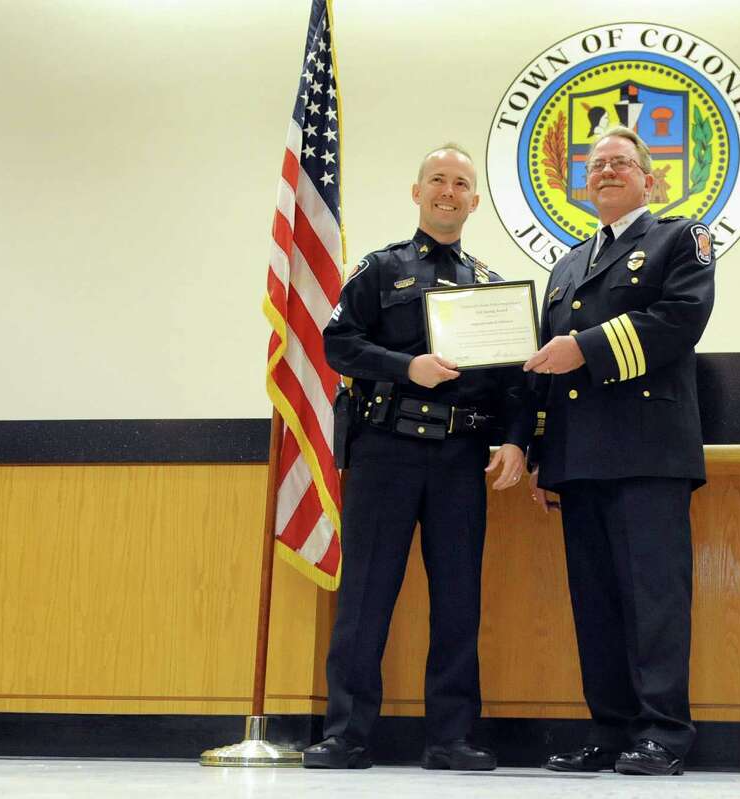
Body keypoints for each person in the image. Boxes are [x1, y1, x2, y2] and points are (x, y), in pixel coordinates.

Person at [303, 144, 526, 771]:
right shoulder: (380, 270)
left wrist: (515, 439)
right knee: (366, 594)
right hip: (387, 451)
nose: (448, 191)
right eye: (437, 180)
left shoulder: (492, 287)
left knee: (459, 598)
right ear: (417, 192)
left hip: (461, 457)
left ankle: (451, 737)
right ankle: (346, 735)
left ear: (475, 200)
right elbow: (338, 343)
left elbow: (515, 383)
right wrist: (408, 367)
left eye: (460, 183)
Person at [521, 126, 716, 776]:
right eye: (597, 164)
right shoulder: (567, 264)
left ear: (649, 178)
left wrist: (587, 348)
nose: (607, 171)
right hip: (579, 460)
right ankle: (610, 731)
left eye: (621, 163)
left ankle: (662, 732)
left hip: (648, 452)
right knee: (596, 602)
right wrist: (541, 450)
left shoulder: (678, 238)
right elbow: (544, 366)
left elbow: (679, 320)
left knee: (654, 599)